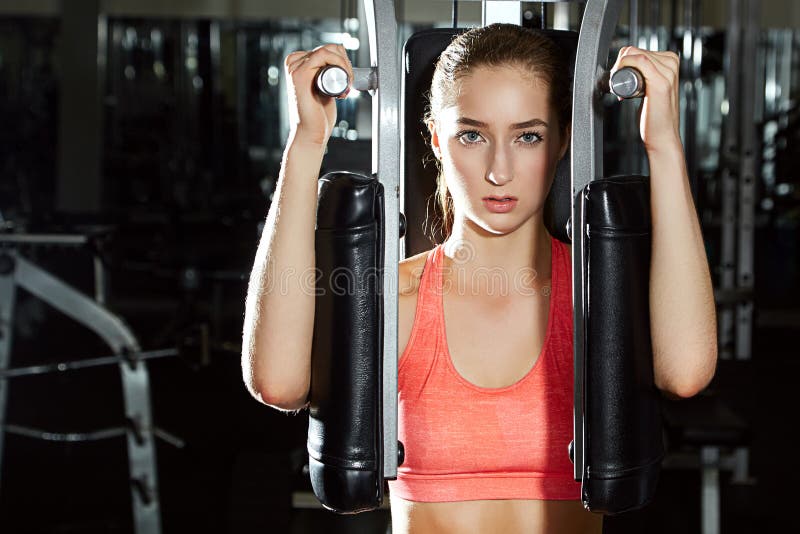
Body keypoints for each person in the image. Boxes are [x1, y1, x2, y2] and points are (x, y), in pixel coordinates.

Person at [241, 23, 718, 534]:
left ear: (561, 143)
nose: (499, 170)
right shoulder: (395, 297)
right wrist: (306, 144)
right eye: (472, 135)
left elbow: (687, 372)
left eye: (528, 136)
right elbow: (276, 381)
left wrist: (665, 146)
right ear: (437, 142)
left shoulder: (600, 299)